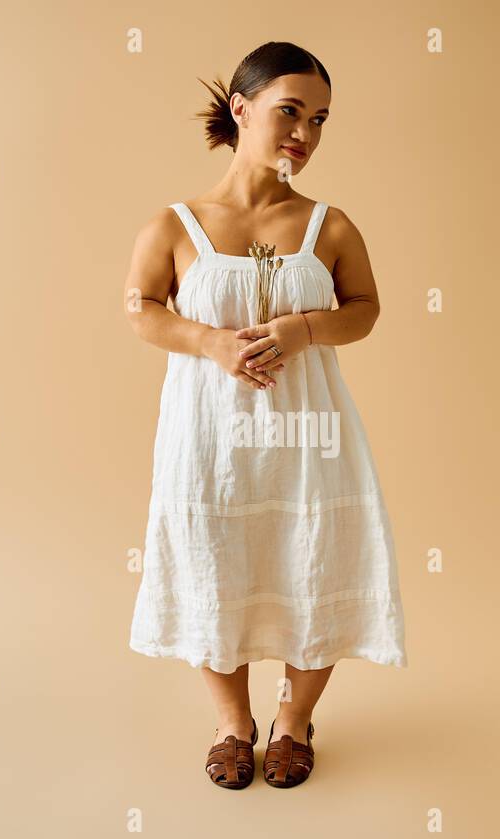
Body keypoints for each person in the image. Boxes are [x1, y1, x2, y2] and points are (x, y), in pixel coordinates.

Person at [123, 41, 407, 790]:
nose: (304, 135)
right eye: (290, 111)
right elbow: (141, 309)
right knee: (214, 561)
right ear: (241, 109)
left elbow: (366, 310)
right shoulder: (176, 224)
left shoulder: (329, 226)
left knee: (313, 558)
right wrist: (212, 342)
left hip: (309, 435)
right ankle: (232, 725)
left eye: (319, 120)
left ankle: (294, 720)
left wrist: (303, 328)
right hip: (209, 436)